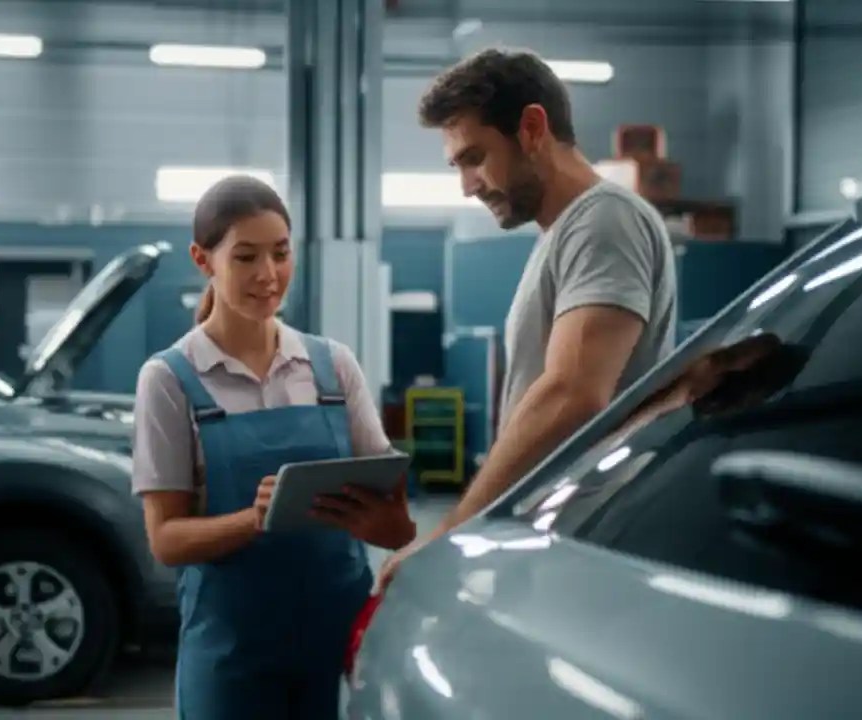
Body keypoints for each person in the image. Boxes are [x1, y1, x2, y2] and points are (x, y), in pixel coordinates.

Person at [378, 47, 678, 588]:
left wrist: (451, 529)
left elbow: (572, 393)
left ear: (532, 128)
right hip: (556, 536)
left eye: (475, 157)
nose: (467, 185)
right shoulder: (561, 232)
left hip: (589, 542)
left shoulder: (604, 219)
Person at [131, 174, 416, 719]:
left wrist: (382, 524)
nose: (268, 275)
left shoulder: (333, 367)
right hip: (233, 660)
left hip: (338, 650)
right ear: (202, 259)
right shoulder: (171, 380)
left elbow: (398, 529)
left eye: (281, 254)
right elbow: (166, 539)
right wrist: (253, 519)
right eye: (245, 257)